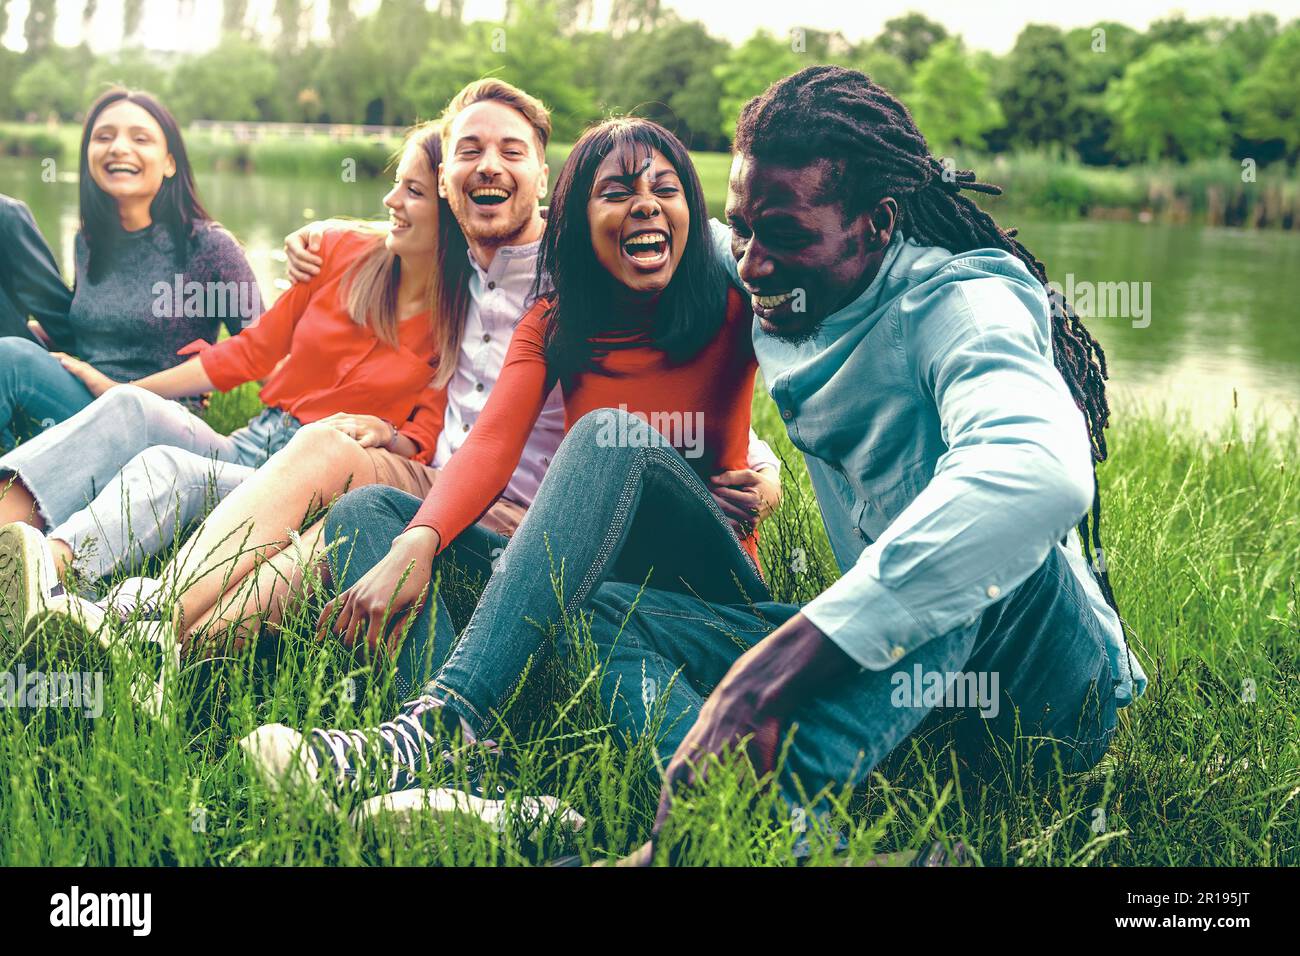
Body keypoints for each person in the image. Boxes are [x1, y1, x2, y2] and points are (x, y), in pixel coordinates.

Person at [242, 67, 1147, 858]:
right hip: (895, 671)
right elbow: (621, 233)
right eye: (742, 229)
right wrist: (355, 235)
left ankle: (478, 739)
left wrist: (795, 654)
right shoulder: (755, 269)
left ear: (877, 225)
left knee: (953, 534)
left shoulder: (960, 305)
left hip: (1036, 686)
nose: (753, 262)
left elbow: (1037, 474)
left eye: (781, 234)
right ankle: (562, 791)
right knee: (579, 601)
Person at [239, 114, 783, 805]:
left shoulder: (732, 295)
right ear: (578, 222)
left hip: (706, 592)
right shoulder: (556, 322)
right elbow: (491, 446)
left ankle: (442, 723)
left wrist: (769, 480)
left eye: (665, 188)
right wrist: (420, 541)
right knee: (368, 510)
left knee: (604, 438)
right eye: (615, 192)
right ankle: (468, 772)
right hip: (590, 591)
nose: (644, 203)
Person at [0, 121, 451, 673]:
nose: (390, 199)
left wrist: (388, 434)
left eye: (414, 190)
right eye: (396, 182)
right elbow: (251, 354)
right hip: (255, 438)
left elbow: (424, 440)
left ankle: (50, 569)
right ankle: (6, 540)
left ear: (452, 210)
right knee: (129, 410)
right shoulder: (339, 252)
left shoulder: (461, 323)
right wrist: (121, 387)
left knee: (171, 470)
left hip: (318, 474)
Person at [0, 88, 258, 450]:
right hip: (83, 404)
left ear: (170, 162)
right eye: (103, 137)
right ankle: (21, 460)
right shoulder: (89, 242)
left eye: (140, 138)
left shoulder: (211, 247)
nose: (118, 147)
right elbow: (96, 325)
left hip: (152, 422)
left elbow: (265, 351)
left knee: (7, 358)